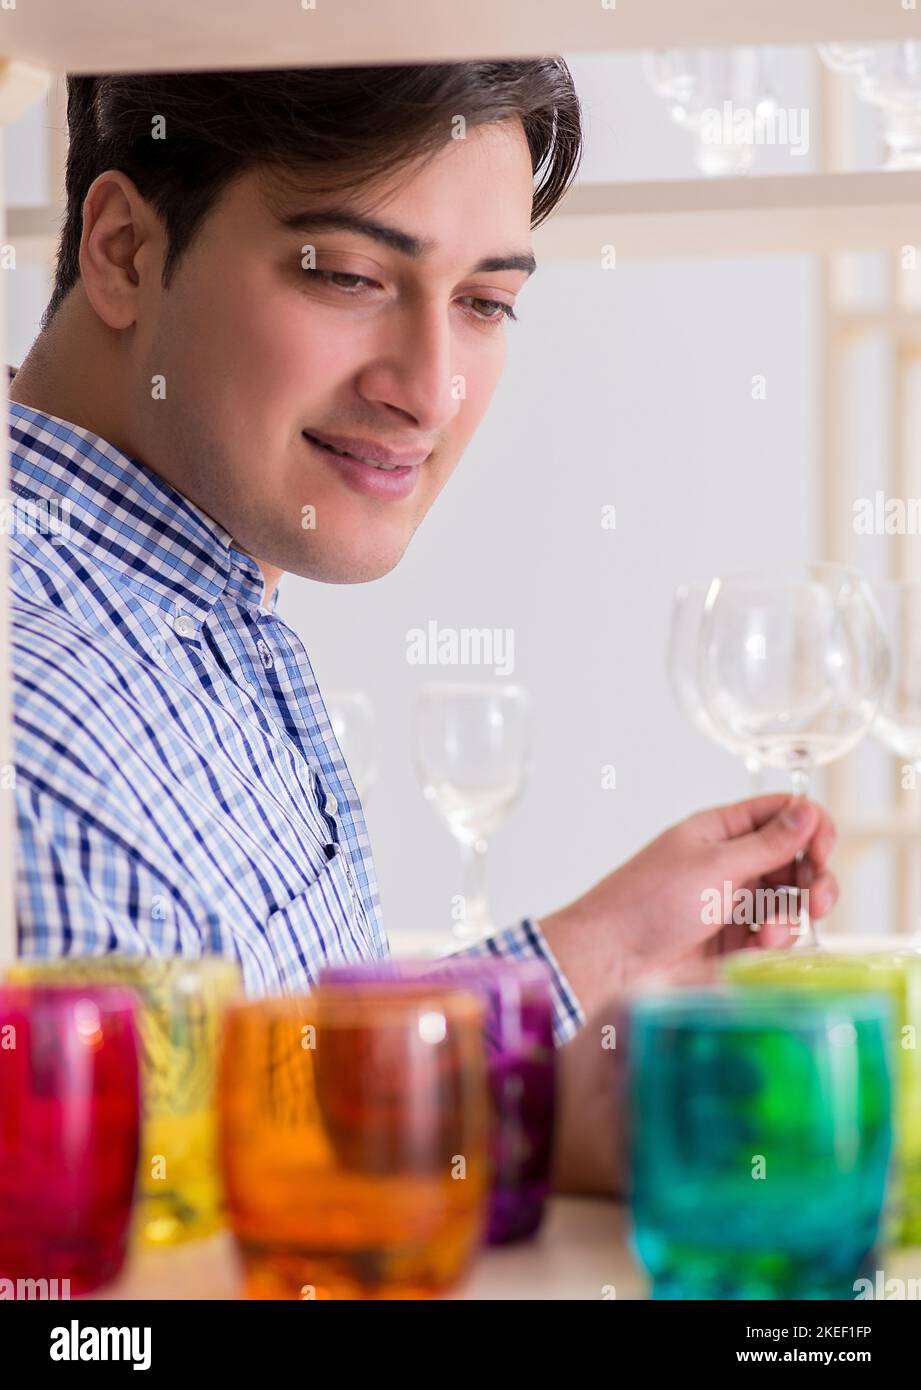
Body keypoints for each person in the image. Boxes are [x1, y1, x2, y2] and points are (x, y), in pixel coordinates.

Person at [9, 63, 837, 1190]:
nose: (428, 389)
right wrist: (536, 1145)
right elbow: (150, 1259)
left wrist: (596, 951)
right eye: (350, 276)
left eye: (484, 302)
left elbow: (272, 1109)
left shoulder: (175, 607)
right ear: (122, 251)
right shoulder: (48, 753)